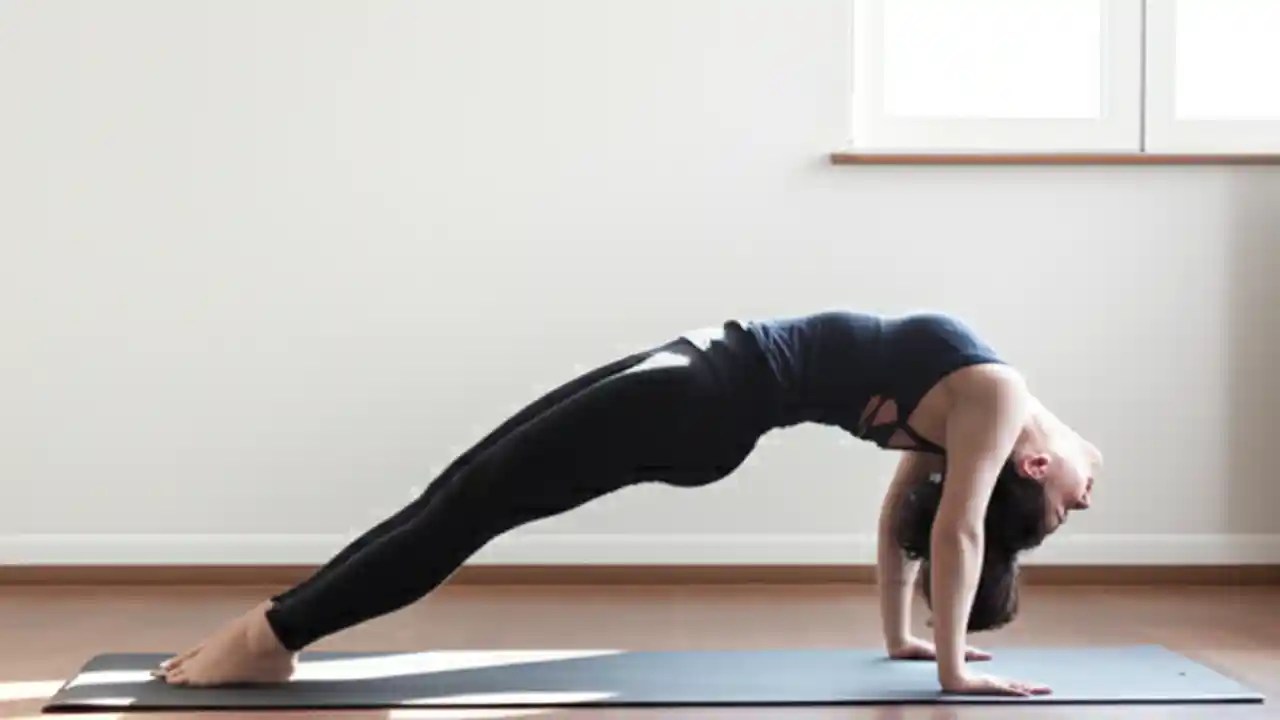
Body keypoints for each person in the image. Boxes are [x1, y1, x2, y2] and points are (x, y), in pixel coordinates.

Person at [155, 310, 1101, 697]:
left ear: (1027, 470)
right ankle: (276, 629)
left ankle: (271, 639)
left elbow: (954, 529)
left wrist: (949, 676)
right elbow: (909, 530)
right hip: (698, 385)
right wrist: (905, 645)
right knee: (458, 496)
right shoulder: (981, 414)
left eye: (1064, 509)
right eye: (1074, 507)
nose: (1080, 501)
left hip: (701, 398)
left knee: (466, 506)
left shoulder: (996, 401)